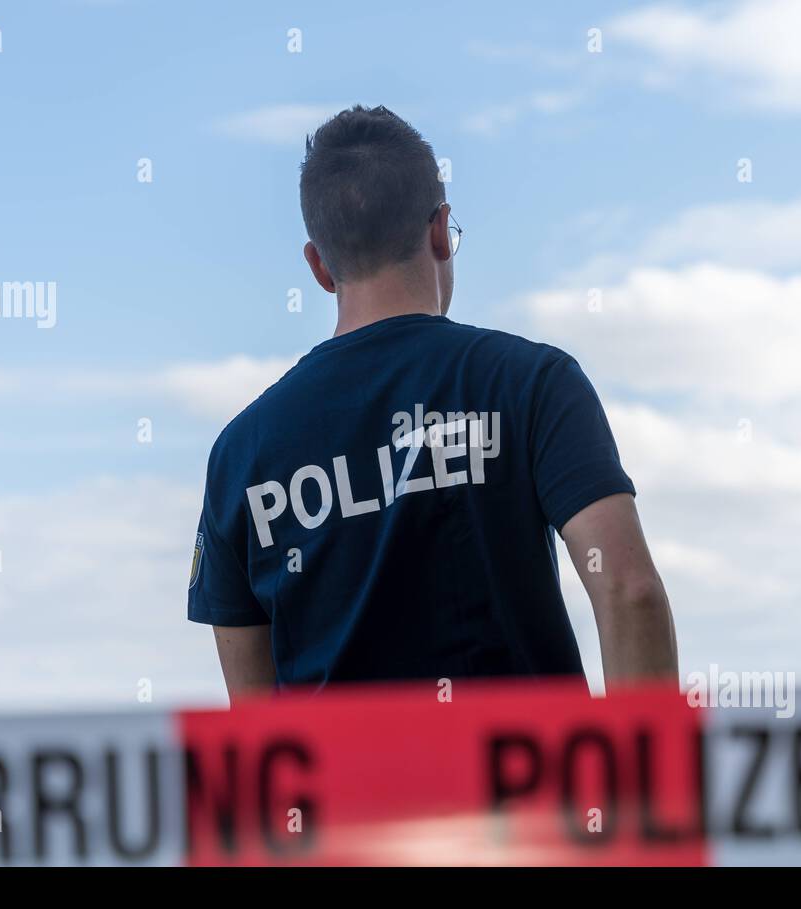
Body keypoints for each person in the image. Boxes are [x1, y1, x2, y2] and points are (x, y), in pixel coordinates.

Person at [188, 105, 676, 697]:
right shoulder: (532, 383)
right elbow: (631, 592)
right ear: (441, 230)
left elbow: (255, 729)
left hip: (341, 790)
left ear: (318, 265)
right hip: (530, 784)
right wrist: (646, 787)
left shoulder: (241, 453)